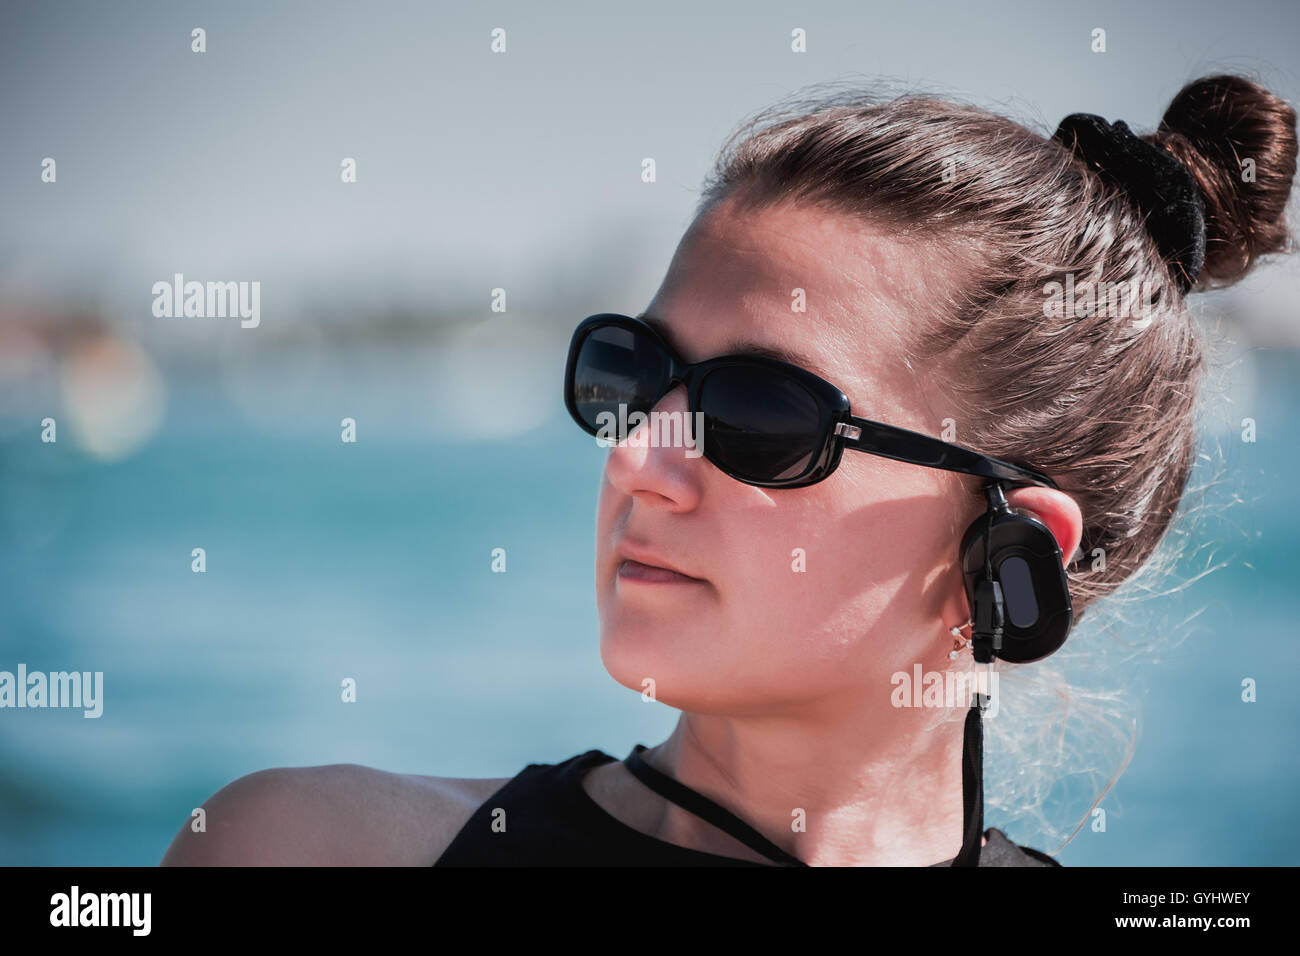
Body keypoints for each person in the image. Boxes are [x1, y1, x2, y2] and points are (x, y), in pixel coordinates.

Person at [161, 73, 1297, 867]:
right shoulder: (303, 849)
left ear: (1003, 554)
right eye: (631, 371)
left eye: (757, 415)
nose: (639, 457)